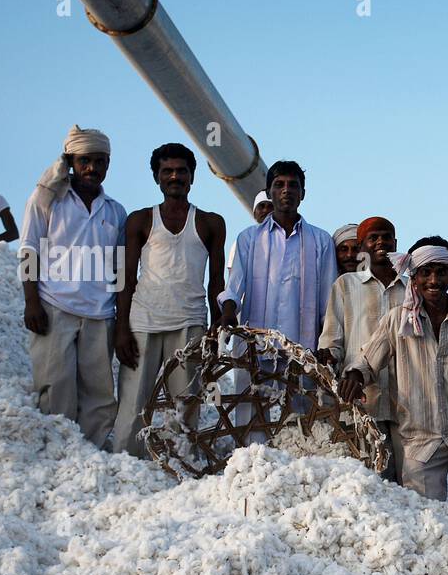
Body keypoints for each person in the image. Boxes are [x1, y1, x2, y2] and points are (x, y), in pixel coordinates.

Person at [339, 237, 448, 518]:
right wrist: (355, 375)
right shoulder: (397, 320)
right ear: (413, 278)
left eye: (441, 272)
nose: (434, 280)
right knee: (428, 519)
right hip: (420, 437)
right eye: (425, 272)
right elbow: (368, 360)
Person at [112, 143, 226, 457]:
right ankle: (124, 462)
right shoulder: (140, 220)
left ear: (192, 178)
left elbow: (216, 281)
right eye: (167, 172)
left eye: (181, 171)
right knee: (133, 401)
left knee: (186, 403)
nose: (174, 177)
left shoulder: (210, 223)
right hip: (144, 322)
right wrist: (121, 328)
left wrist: (216, 331)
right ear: (156, 178)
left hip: (190, 323)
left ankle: (181, 463)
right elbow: (125, 278)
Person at [19, 125, 127, 448]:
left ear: (108, 164)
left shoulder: (115, 211)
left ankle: (88, 455)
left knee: (99, 393)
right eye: (85, 161)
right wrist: (31, 303)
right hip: (54, 307)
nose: (93, 168)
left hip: (100, 313)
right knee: (55, 387)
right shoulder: (47, 200)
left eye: (100, 161)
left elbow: (120, 269)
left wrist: (120, 318)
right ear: (71, 162)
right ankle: (56, 454)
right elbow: (29, 251)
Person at [318, 216, 407, 480]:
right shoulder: (346, 285)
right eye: (373, 238)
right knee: (367, 479)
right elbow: (331, 338)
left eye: (386, 237)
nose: (381, 242)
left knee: (408, 484)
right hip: (361, 398)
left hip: (406, 400)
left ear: (395, 243)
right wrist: (327, 358)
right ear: (362, 247)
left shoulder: (412, 287)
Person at [217, 160, 336, 348]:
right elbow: (234, 287)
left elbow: (328, 302)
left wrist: (326, 346)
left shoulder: (321, 241)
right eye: (279, 184)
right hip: (255, 350)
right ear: (269, 192)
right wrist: (228, 311)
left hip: (302, 353)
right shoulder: (249, 238)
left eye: (293, 185)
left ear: (302, 194)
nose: (286, 190)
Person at [225, 190, 272, 274]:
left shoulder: (286, 238)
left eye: (270, 206)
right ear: (254, 213)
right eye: (261, 206)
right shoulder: (243, 239)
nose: (265, 210)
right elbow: (234, 277)